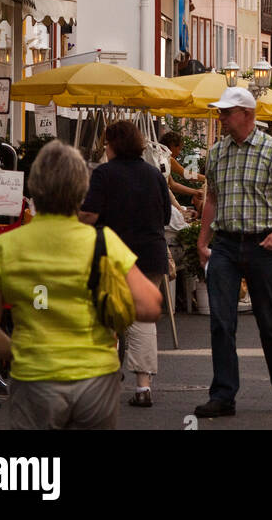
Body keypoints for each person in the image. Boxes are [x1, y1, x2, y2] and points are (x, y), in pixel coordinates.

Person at [0, 140, 162, 430]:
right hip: (95, 378)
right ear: (82, 190)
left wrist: (18, 352)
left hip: (34, 378)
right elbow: (150, 306)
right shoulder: (103, 242)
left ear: (34, 187)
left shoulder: (6, 246)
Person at [194, 87, 272, 418]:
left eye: (226, 113)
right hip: (226, 244)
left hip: (262, 244)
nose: (221, 118)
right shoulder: (216, 153)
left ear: (246, 114)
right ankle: (223, 395)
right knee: (220, 321)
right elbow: (211, 198)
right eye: (221, 112)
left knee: (269, 320)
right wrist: (203, 241)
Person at [80, 120, 171, 408]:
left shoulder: (104, 174)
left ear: (113, 145)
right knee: (142, 320)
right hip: (151, 255)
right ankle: (143, 387)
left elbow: (90, 215)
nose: (105, 149)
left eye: (106, 144)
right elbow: (167, 217)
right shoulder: (154, 175)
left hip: (114, 255)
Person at [160, 129, 205, 213]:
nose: (179, 152)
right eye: (179, 149)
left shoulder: (159, 157)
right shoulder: (167, 158)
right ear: (172, 145)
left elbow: (172, 185)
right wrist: (206, 178)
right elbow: (186, 174)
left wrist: (195, 192)